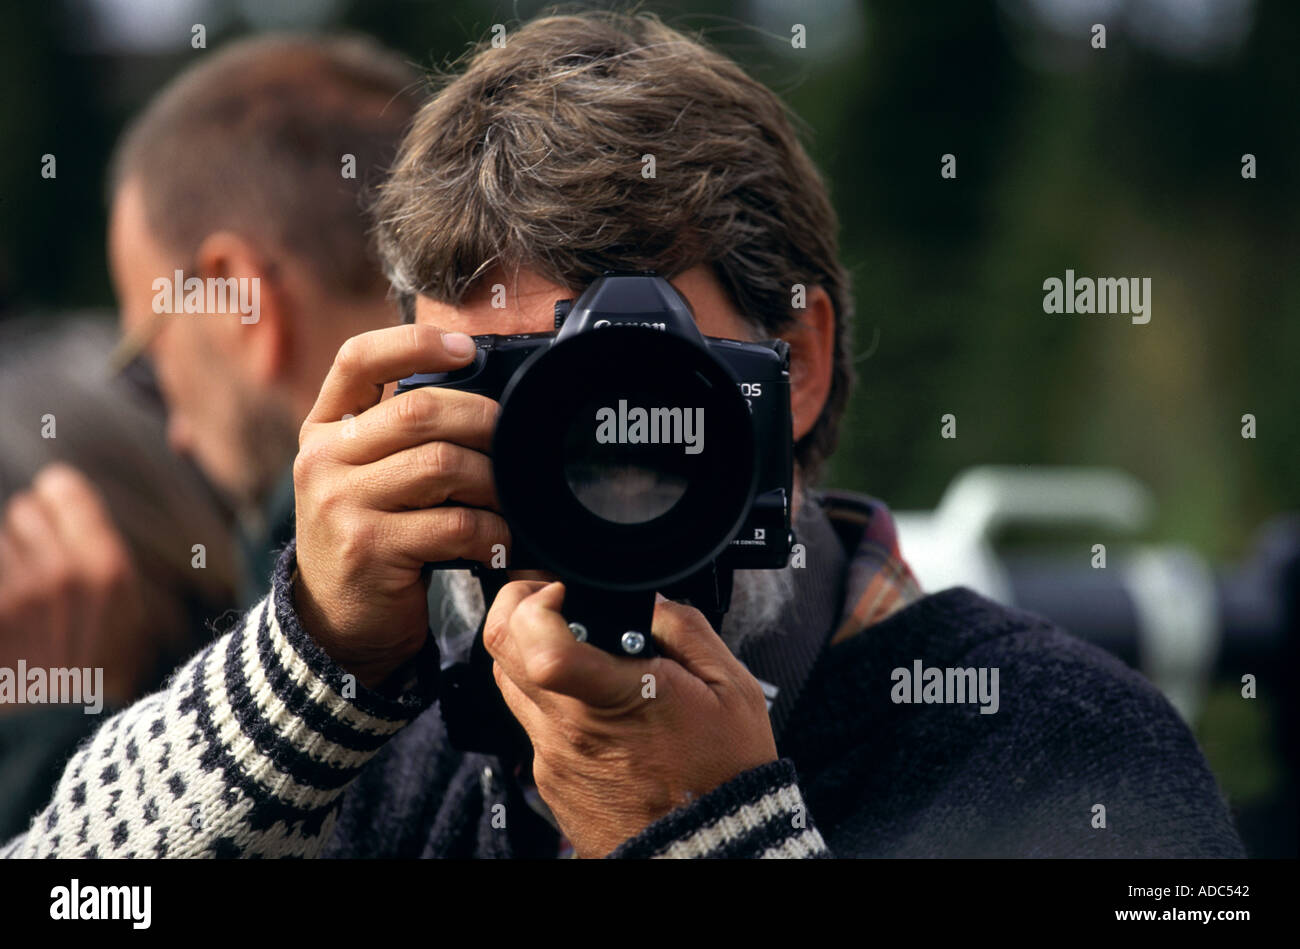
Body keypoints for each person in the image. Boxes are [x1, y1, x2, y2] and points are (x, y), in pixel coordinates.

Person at [1, 12, 1245, 859]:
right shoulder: (398, 733)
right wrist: (305, 665)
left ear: (793, 367)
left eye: (623, 384)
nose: (580, 448)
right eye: (510, 388)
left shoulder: (1060, 747)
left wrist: (709, 833)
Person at [0, 33, 420, 837]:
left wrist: (48, 729)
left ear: (240, 300)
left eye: (149, 361)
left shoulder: (343, 593)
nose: (178, 436)